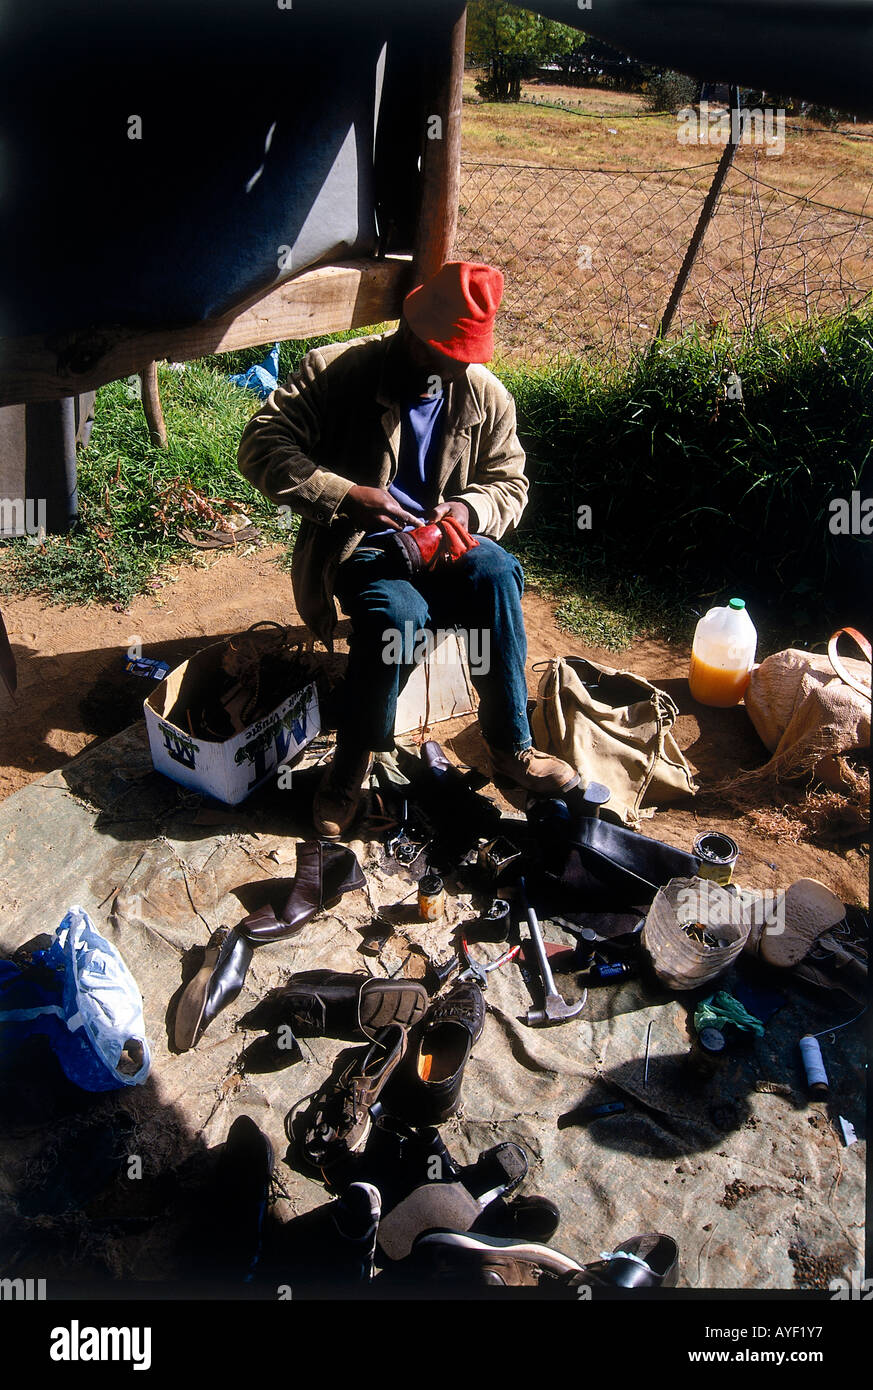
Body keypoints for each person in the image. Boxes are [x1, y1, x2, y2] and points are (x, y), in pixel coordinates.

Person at [238, 260, 579, 837]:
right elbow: (260, 444)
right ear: (409, 326)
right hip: (361, 548)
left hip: (442, 545)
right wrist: (347, 495)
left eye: (461, 354)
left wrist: (470, 510)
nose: (448, 364)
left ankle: (509, 746)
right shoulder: (335, 372)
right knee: (400, 615)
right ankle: (352, 763)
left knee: (495, 572)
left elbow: (511, 482)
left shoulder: (483, 395)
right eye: (438, 349)